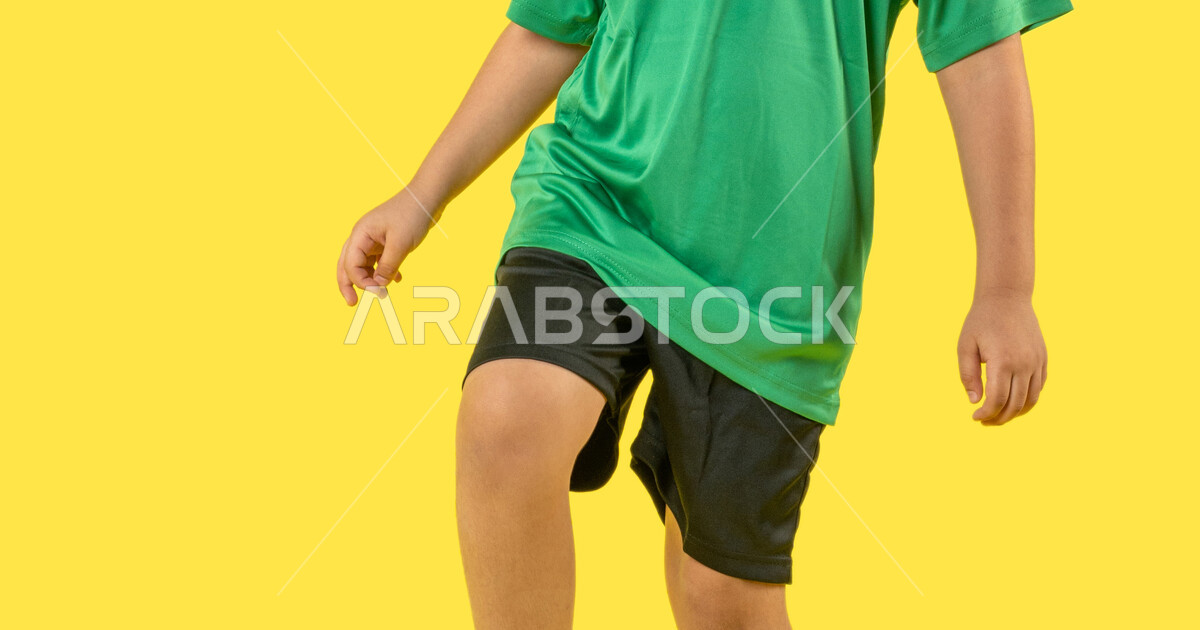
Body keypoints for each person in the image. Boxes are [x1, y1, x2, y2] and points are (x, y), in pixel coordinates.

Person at [335, 1, 1071, 627]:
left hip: (776, 279)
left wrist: (1006, 288)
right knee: (506, 417)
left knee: (720, 596)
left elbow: (981, 53)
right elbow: (548, 28)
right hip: (593, 203)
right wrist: (422, 195)